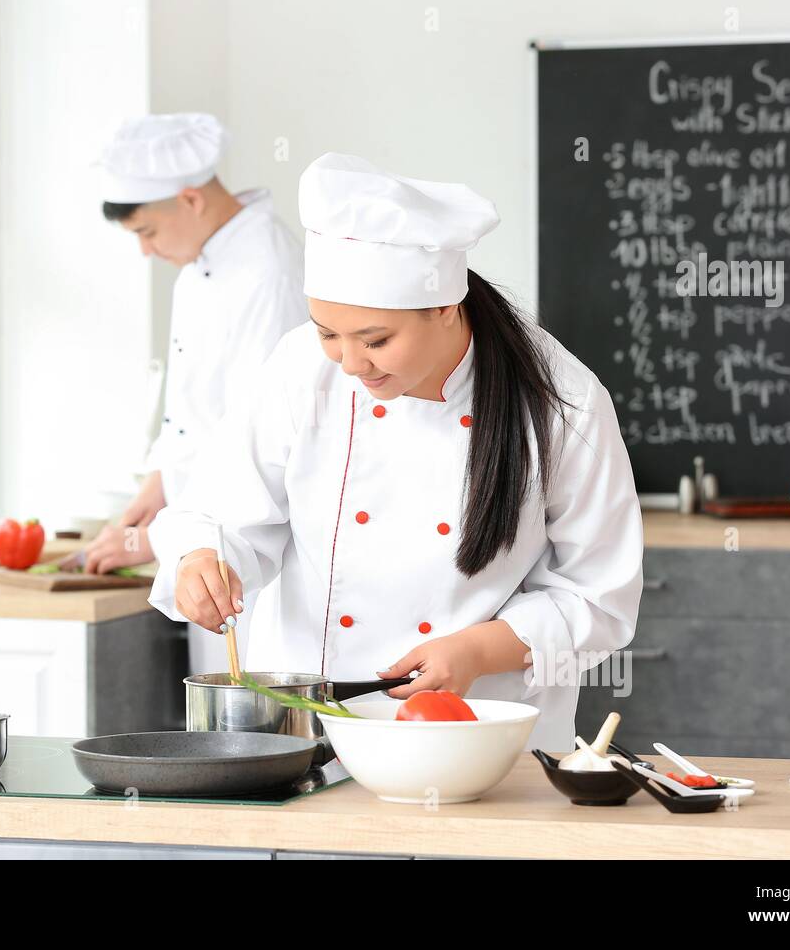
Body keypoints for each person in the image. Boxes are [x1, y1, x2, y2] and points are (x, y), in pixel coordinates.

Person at [145, 152, 642, 751]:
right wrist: (204, 557)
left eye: (376, 340)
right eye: (329, 333)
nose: (351, 364)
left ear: (444, 307)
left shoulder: (564, 400)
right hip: (307, 732)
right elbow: (223, 512)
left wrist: (477, 649)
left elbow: (599, 598)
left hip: (475, 730)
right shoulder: (299, 368)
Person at [84, 113, 305, 676]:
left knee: (260, 723)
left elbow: (258, 442)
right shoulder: (200, 267)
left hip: (250, 547)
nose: (144, 251)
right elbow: (195, 412)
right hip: (198, 535)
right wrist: (157, 487)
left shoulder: (266, 273)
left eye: (146, 232)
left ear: (189, 200)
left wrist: (157, 541)